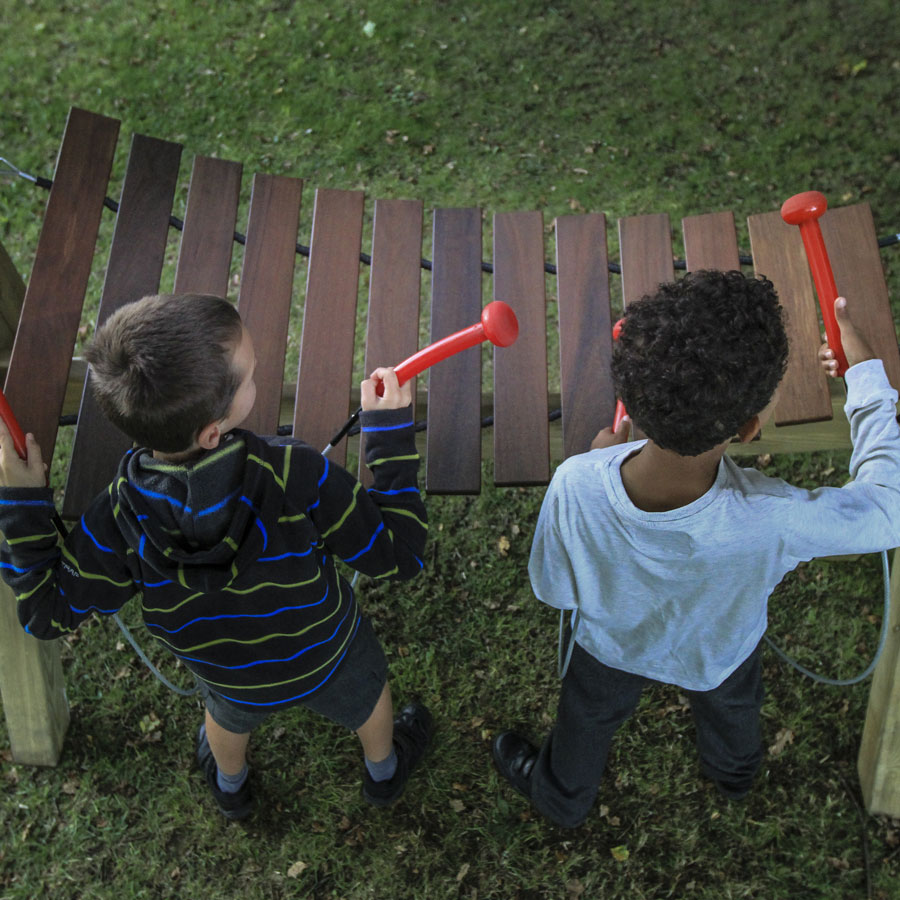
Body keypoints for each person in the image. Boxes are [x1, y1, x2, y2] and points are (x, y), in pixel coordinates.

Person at [492, 269, 900, 828]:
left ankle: (562, 799)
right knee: (734, 713)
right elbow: (887, 508)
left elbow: (555, 588)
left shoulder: (575, 481)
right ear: (750, 427)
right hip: (720, 657)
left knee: (584, 719)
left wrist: (600, 457)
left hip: (608, 650)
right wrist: (868, 381)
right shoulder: (773, 517)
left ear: (630, 400)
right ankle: (735, 776)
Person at [0, 293, 431, 821]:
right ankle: (384, 771)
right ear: (211, 432)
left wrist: (21, 503)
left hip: (228, 677)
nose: (258, 374)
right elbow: (401, 555)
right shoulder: (297, 474)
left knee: (226, 719)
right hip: (330, 655)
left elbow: (46, 611)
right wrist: (387, 435)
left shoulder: (115, 520)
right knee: (369, 700)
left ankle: (231, 787)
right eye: (249, 376)